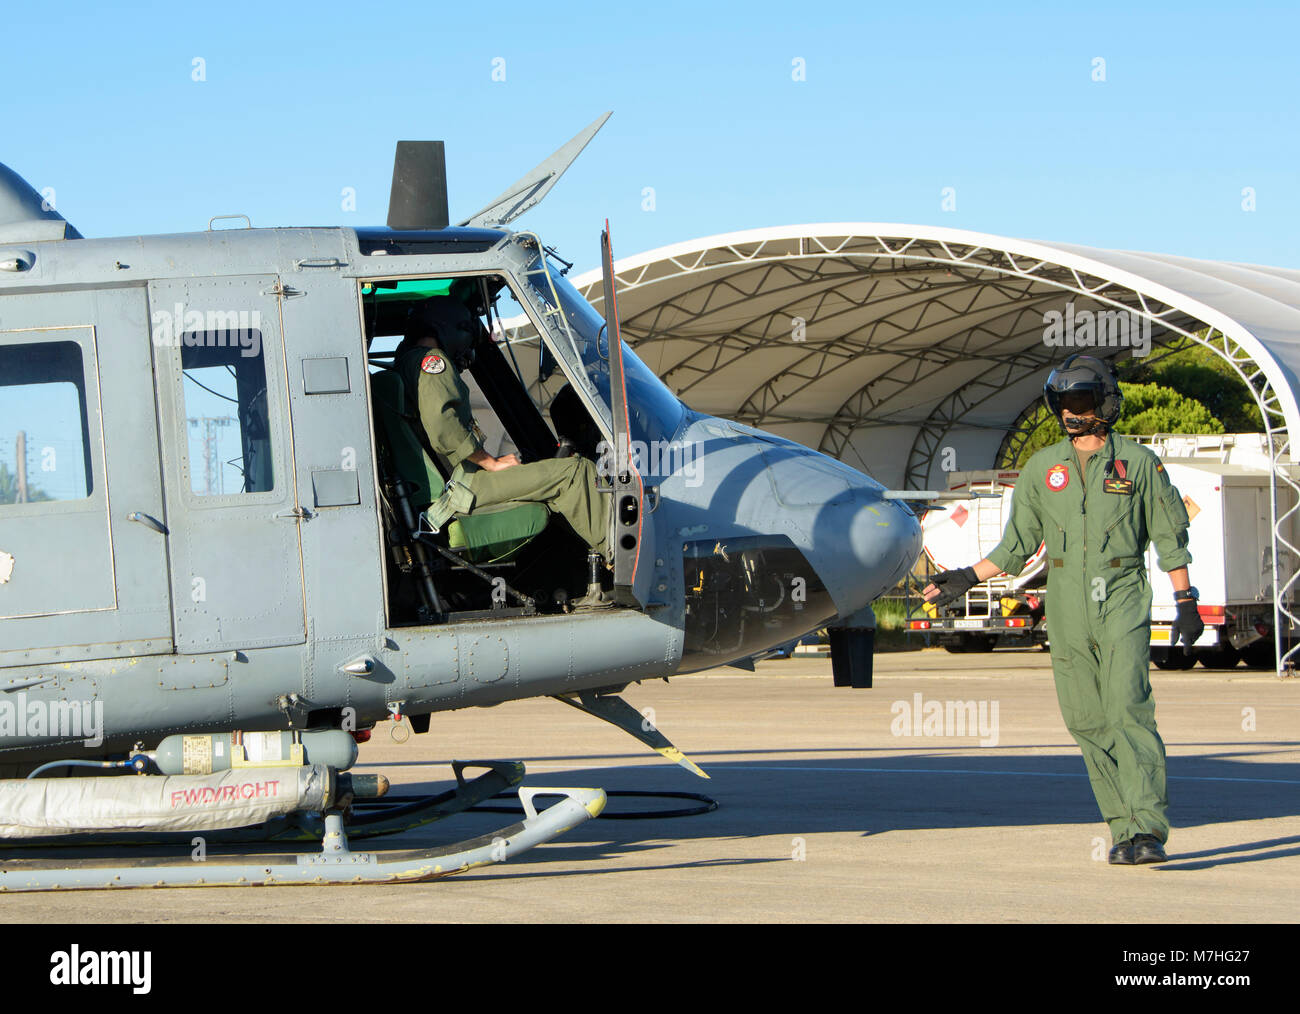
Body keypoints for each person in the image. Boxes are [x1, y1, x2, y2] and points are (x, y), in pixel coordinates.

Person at [923, 354, 1204, 865]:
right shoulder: (1040, 469)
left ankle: (1149, 828)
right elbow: (1016, 547)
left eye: (1082, 401)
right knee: (1086, 721)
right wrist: (965, 578)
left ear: (1104, 403)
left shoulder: (1139, 463)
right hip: (1066, 602)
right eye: (1065, 403)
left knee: (1127, 710)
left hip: (1121, 594)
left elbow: (1169, 536)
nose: (1073, 412)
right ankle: (1122, 829)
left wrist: (1185, 600)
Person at [393, 296, 612, 563]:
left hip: (455, 485)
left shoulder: (406, 363)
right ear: (449, 328)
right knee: (575, 473)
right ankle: (628, 564)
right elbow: (444, 429)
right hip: (462, 487)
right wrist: (491, 462)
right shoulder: (432, 362)